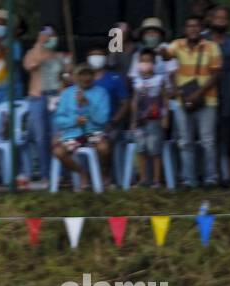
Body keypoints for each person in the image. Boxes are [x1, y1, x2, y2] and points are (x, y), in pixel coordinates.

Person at [162, 15, 223, 188]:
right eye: (189, 26)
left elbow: (217, 73)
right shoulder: (177, 44)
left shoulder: (212, 47)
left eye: (196, 26)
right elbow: (167, 55)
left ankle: (211, 178)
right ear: (185, 29)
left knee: (208, 141)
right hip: (183, 101)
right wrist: (162, 53)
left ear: (201, 28)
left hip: (207, 100)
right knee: (185, 141)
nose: (193, 29)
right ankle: (189, 180)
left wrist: (199, 93)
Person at [51, 64, 112, 190]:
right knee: (59, 152)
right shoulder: (67, 94)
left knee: (104, 148)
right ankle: (82, 173)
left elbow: (103, 119)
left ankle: (102, 173)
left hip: (93, 133)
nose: (86, 78)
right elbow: (58, 119)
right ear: (76, 77)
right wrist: (74, 121)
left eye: (88, 74)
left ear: (93, 76)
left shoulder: (101, 93)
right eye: (82, 75)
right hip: (74, 135)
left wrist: (87, 104)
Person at [24, 26, 67, 179]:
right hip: (37, 97)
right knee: (41, 136)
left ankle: (61, 173)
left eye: (52, 36)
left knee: (57, 135)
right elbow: (30, 66)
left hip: (56, 97)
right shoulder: (32, 53)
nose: (50, 39)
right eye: (46, 36)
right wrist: (39, 46)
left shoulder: (61, 56)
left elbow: (67, 76)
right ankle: (45, 174)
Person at [208, 6, 230, 186]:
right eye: (218, 18)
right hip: (207, 96)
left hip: (229, 95)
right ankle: (214, 175)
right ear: (211, 20)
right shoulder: (204, 41)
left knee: (229, 137)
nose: (221, 21)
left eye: (224, 18)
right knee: (210, 138)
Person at [87, 45, 131, 186]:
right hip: (85, 125)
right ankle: (85, 177)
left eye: (99, 54)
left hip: (110, 125)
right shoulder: (83, 79)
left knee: (102, 145)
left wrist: (113, 121)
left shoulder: (115, 78)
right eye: (93, 54)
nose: (96, 58)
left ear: (105, 59)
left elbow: (125, 103)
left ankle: (104, 175)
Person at [131, 49, 171, 186]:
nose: (145, 64)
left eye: (148, 61)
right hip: (140, 121)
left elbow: (165, 99)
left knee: (155, 150)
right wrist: (133, 120)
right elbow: (135, 102)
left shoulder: (159, 80)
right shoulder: (137, 81)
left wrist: (165, 117)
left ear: (154, 63)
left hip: (155, 120)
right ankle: (143, 179)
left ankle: (156, 180)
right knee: (141, 149)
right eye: (142, 61)